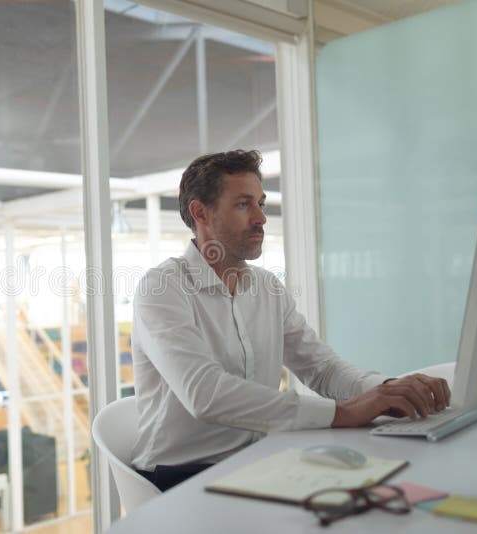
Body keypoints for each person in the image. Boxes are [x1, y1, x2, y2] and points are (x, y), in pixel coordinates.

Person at [130, 149, 450, 491]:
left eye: (261, 204)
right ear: (201, 213)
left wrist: (390, 391)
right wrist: (342, 413)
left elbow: (322, 369)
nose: (261, 218)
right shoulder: (162, 287)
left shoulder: (267, 287)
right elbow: (205, 393)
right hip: (180, 478)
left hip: (256, 462)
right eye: (243, 204)